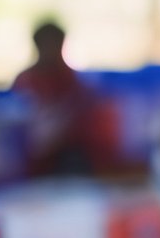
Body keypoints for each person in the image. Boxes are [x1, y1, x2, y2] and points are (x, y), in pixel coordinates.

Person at [10, 19, 98, 175]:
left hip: (68, 155)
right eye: (47, 44)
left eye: (55, 43)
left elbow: (84, 116)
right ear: (37, 45)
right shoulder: (25, 80)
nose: (51, 49)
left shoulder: (73, 80)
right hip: (33, 156)